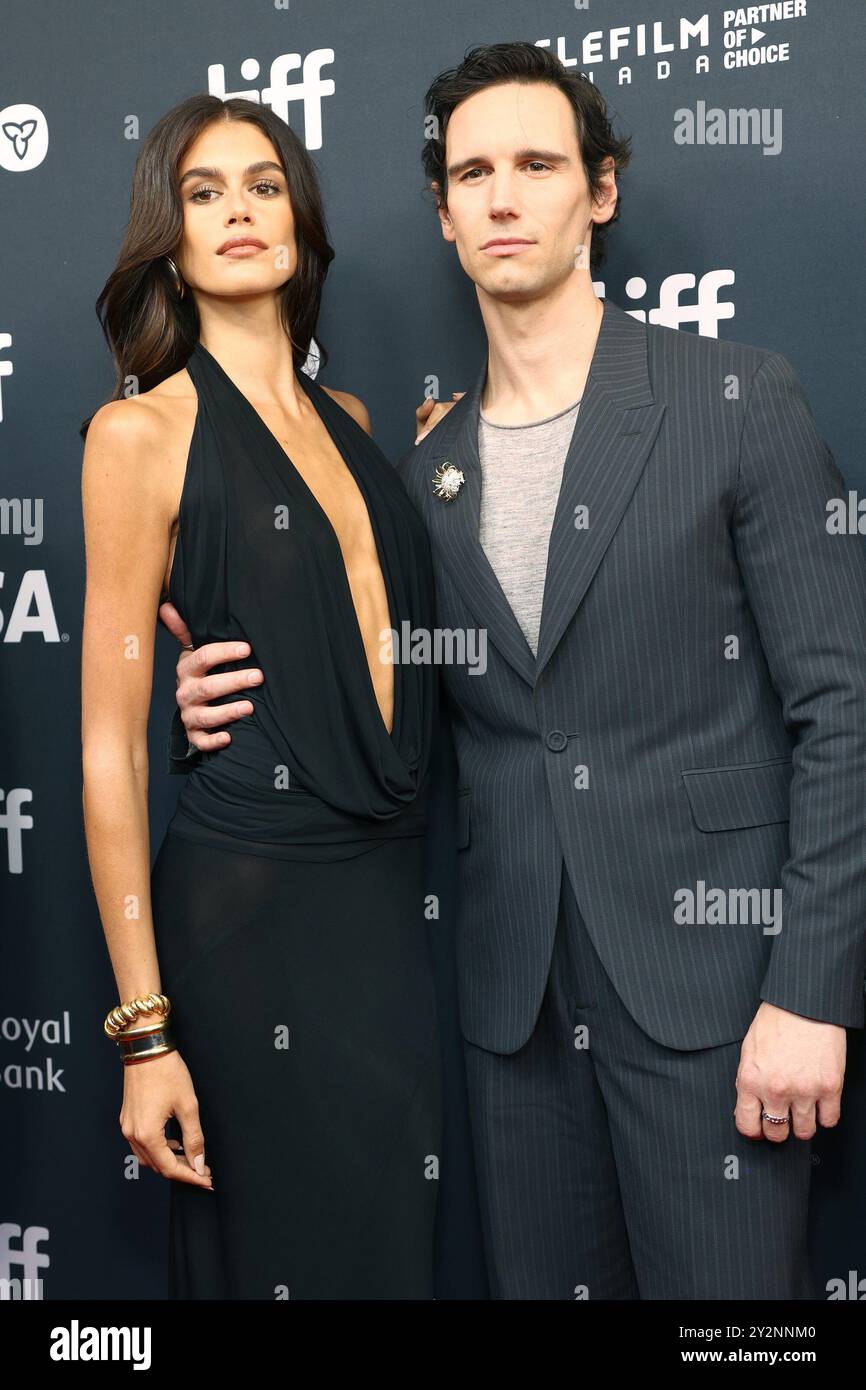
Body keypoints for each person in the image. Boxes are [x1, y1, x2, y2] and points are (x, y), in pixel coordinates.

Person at [164, 44, 866, 1299]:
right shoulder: (422, 478)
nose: (500, 196)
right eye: (471, 171)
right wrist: (213, 700)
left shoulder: (735, 400)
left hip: (719, 1005)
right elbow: (384, 695)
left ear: (597, 192)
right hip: (512, 1017)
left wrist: (811, 994)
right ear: (440, 214)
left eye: (536, 165)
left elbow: (843, 712)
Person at [81, 93, 442, 1300]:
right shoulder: (139, 436)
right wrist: (145, 1031)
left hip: (390, 906)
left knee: (388, 1254)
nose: (239, 210)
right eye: (202, 192)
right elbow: (109, 749)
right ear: (167, 237)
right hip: (248, 917)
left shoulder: (355, 425)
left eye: (263, 183)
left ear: (301, 218)